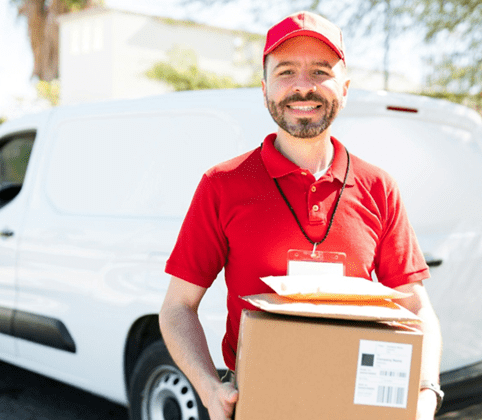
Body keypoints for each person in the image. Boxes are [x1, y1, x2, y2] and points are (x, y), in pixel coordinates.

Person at [159, 11, 443, 420]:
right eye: (286, 71)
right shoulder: (222, 184)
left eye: (320, 71)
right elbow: (177, 307)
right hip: (256, 403)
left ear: (345, 89)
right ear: (264, 89)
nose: (303, 85)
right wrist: (208, 389)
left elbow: (416, 308)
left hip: (356, 407)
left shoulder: (378, 187)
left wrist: (426, 394)